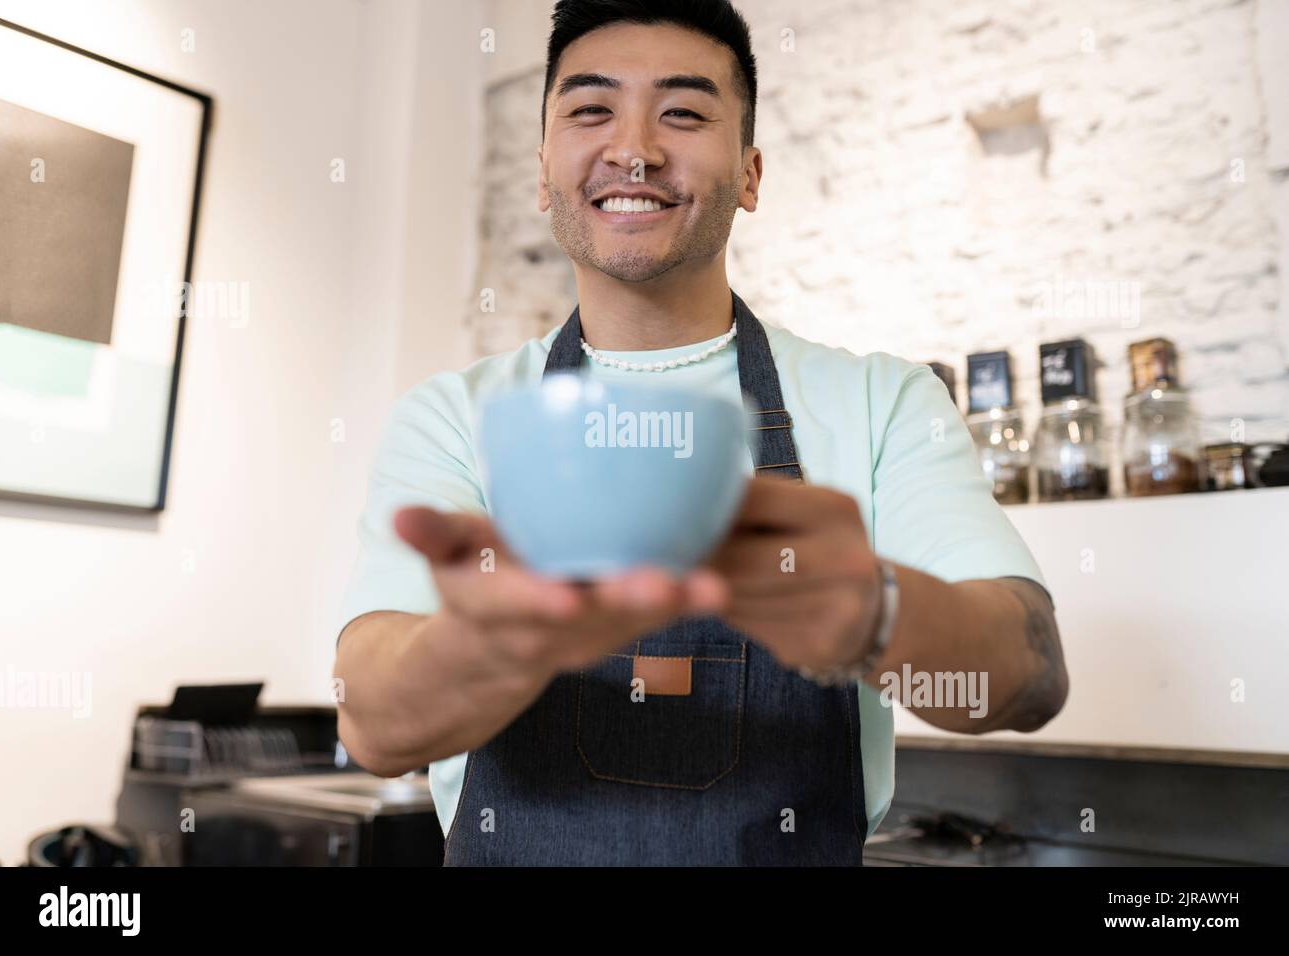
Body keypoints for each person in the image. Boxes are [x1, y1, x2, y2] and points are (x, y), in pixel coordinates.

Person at [333, 0, 1068, 866]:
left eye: (683, 111)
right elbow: (374, 727)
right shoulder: (456, 416)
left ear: (751, 175)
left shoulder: (884, 399)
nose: (634, 148)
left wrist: (874, 613)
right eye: (590, 109)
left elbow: (1026, 676)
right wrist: (490, 637)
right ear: (542, 172)